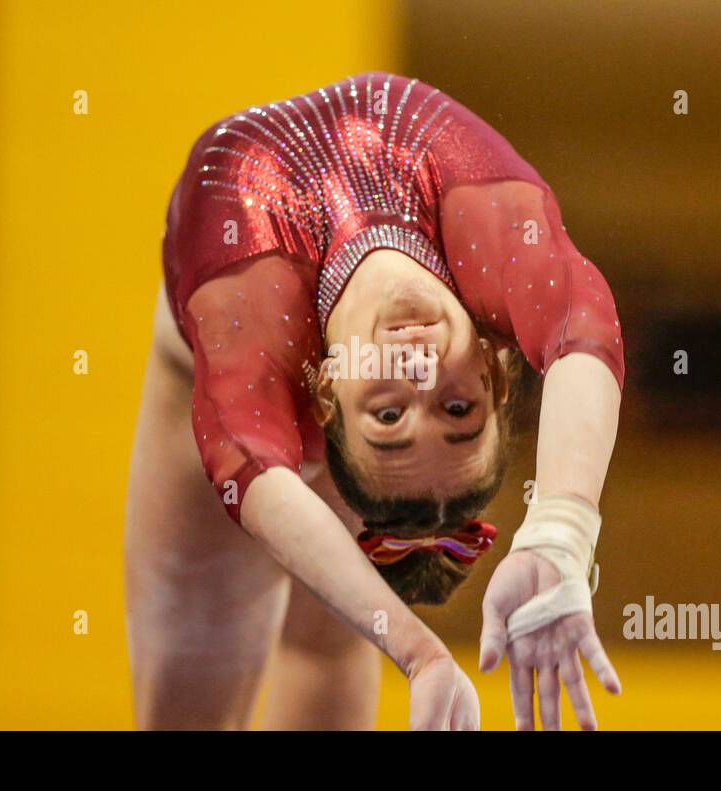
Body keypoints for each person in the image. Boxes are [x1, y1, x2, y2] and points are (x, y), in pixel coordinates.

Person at [126, 72, 624, 730]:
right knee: (253, 655)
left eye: (390, 418)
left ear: (325, 397)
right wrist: (560, 534)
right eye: (458, 412)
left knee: (272, 648)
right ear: (494, 372)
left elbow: (249, 473)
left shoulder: (253, 303)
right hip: (267, 388)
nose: (419, 380)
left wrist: (418, 654)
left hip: (242, 376)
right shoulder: (485, 229)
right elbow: (586, 331)